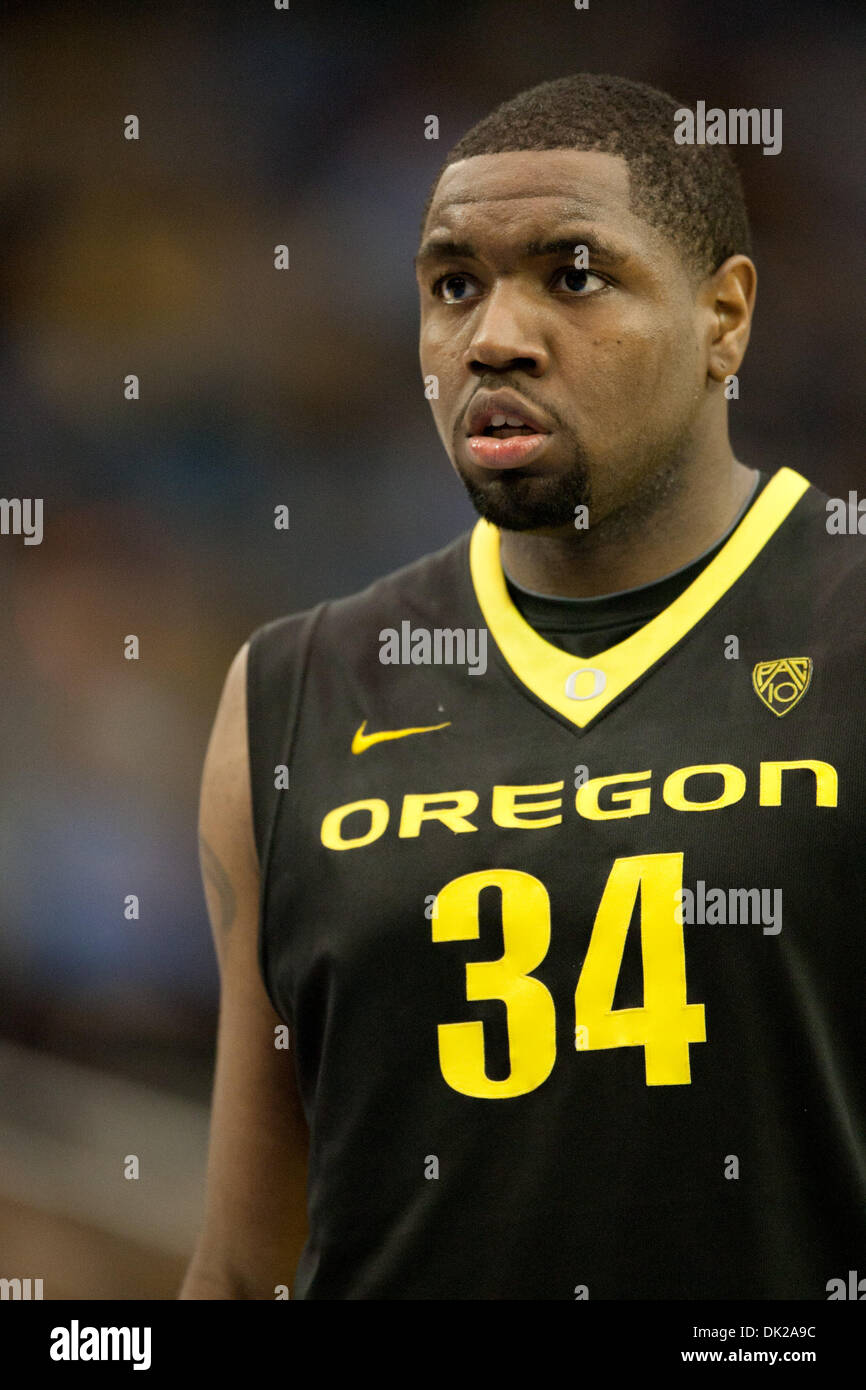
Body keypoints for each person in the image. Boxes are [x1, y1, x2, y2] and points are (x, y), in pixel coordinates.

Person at [180, 73, 866, 1300]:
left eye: (573, 274)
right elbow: (244, 1264)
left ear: (724, 316)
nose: (493, 336)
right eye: (453, 285)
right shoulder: (292, 690)